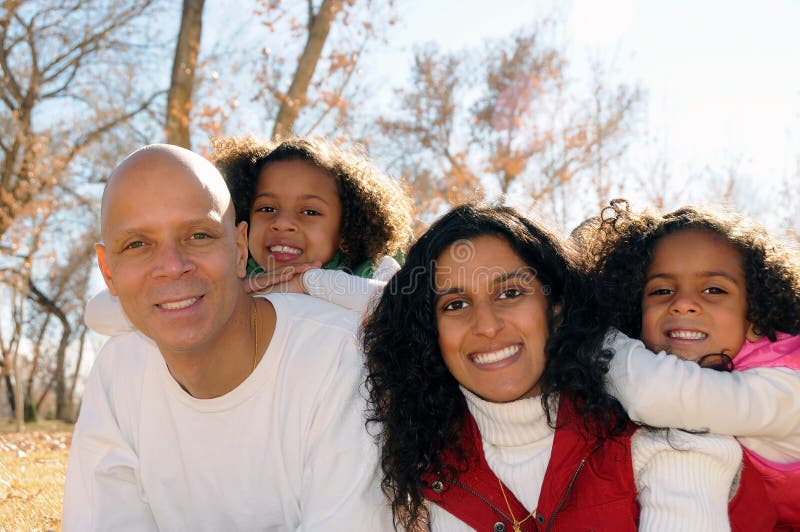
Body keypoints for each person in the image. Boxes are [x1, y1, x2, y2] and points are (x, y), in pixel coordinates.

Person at [362, 203, 771, 531]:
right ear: (429, 331)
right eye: (455, 304)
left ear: (555, 307)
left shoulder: (666, 440)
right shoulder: (418, 472)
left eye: (510, 293)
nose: (486, 326)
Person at [63, 144, 391, 530]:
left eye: (198, 235)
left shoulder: (343, 353)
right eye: (137, 244)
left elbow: (414, 304)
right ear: (108, 271)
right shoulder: (119, 369)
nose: (172, 266)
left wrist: (311, 282)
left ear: (238, 248)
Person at [586, 199, 800, 526]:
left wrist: (591, 337)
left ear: (755, 314)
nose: (683, 303)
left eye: (713, 289)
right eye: (661, 291)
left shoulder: (786, 389)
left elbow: (655, 394)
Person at [84, 135, 413, 334]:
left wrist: (307, 283)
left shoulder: (373, 270)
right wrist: (236, 292)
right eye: (267, 209)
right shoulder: (232, 274)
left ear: (346, 229)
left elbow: (404, 310)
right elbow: (98, 314)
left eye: (310, 212)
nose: (283, 223)